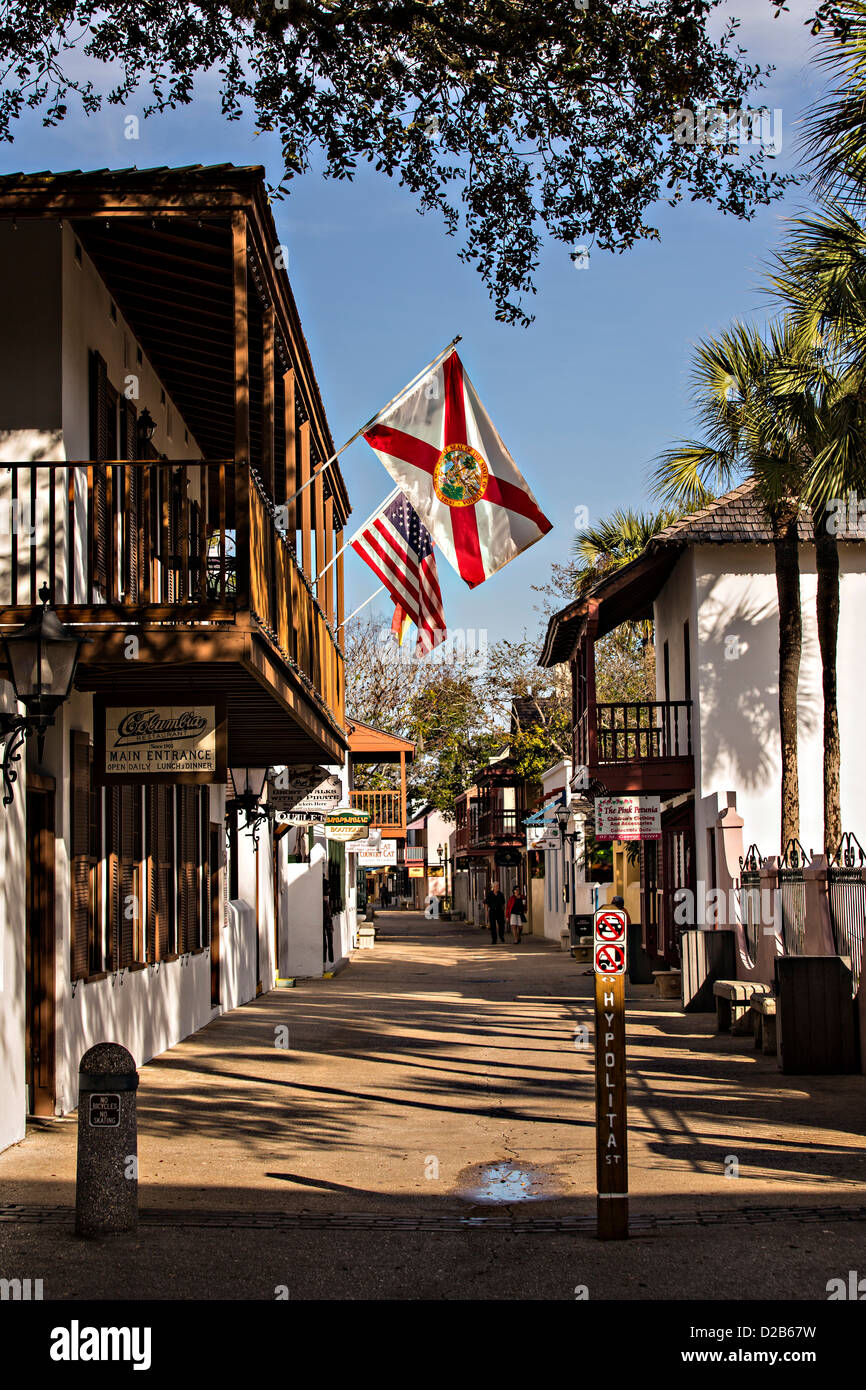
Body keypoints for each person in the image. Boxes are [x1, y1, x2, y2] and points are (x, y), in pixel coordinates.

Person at [322, 878, 334, 967]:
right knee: (327, 942)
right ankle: (327, 960)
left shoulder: (325, 902)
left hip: (326, 920)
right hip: (326, 921)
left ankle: (327, 960)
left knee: (327, 942)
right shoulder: (324, 903)